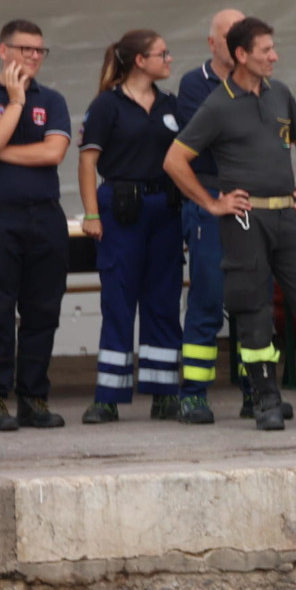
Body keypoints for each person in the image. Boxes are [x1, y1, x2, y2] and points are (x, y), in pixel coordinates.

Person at [161, 17, 296, 431]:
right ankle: (265, 401)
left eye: (273, 49)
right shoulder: (218, 104)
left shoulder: (280, 93)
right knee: (252, 309)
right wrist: (212, 203)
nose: (274, 57)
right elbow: (174, 160)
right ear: (241, 55)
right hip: (245, 219)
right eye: (266, 50)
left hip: (287, 215)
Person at [76, 29, 185, 424]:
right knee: (119, 300)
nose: (169, 59)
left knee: (163, 299)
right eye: (162, 53)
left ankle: (164, 393)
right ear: (140, 60)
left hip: (165, 209)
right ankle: (108, 397)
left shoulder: (171, 104)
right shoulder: (107, 105)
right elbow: (87, 161)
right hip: (121, 209)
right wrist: (91, 215)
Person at [0, 20, 72, 432]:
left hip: (45, 216)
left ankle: (33, 398)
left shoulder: (52, 99)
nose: (34, 57)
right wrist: (16, 102)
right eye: (25, 49)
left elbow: (53, 153)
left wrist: (0, 149)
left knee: (43, 310)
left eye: (40, 50)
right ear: (4, 51)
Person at [173, 7, 245, 420]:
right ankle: (194, 393)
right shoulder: (193, 83)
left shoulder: (265, 84)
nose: (236, 43)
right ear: (211, 43)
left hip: (251, 198)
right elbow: (208, 139)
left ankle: (258, 390)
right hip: (210, 197)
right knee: (208, 297)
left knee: (252, 299)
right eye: (228, 35)